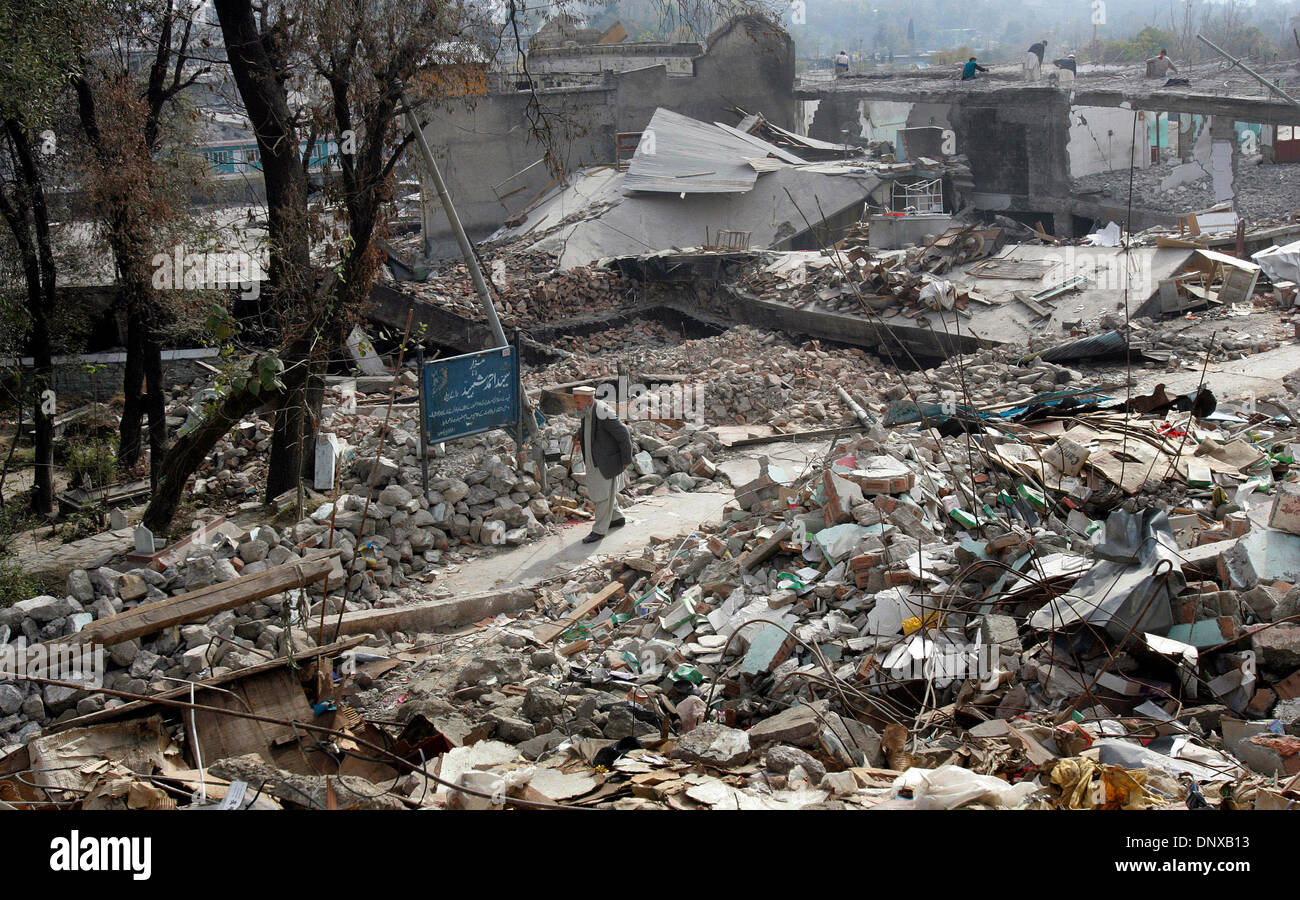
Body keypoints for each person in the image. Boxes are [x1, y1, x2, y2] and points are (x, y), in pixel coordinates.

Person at [573, 386, 634, 544]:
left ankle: (599, 530)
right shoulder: (586, 410)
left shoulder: (603, 412)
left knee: (602, 496)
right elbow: (589, 429)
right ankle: (616, 518)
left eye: (579, 403)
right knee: (605, 491)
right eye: (576, 402)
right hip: (595, 459)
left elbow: (624, 434)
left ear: (589, 400)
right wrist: (579, 436)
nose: (577, 406)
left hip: (605, 461)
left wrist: (627, 458)